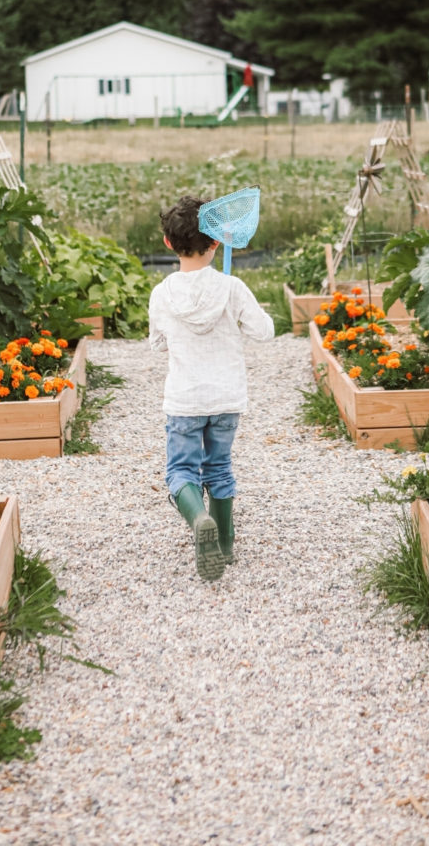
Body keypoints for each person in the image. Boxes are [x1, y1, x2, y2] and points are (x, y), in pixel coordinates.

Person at [148, 195, 274, 582]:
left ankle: (198, 518)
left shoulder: (162, 294)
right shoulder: (231, 287)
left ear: (168, 243)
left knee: (181, 471)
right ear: (217, 242)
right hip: (225, 398)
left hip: (184, 400)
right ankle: (225, 544)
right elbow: (264, 333)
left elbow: (157, 344)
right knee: (219, 467)